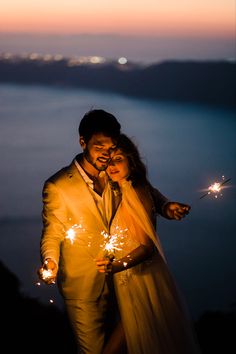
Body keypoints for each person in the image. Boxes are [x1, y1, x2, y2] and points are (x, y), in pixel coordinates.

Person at [38, 109, 191, 354]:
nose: (107, 155)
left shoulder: (114, 170)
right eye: (100, 147)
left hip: (121, 281)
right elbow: (53, 230)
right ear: (82, 142)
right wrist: (50, 260)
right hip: (83, 288)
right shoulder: (58, 186)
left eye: (112, 148)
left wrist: (164, 205)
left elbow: (141, 188)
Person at [96, 134, 201, 354]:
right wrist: (166, 206)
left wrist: (115, 266)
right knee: (132, 328)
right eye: (109, 161)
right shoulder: (124, 187)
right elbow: (153, 196)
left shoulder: (135, 190)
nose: (112, 165)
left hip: (140, 277)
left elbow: (147, 248)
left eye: (119, 159)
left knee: (140, 332)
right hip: (129, 277)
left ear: (131, 161)